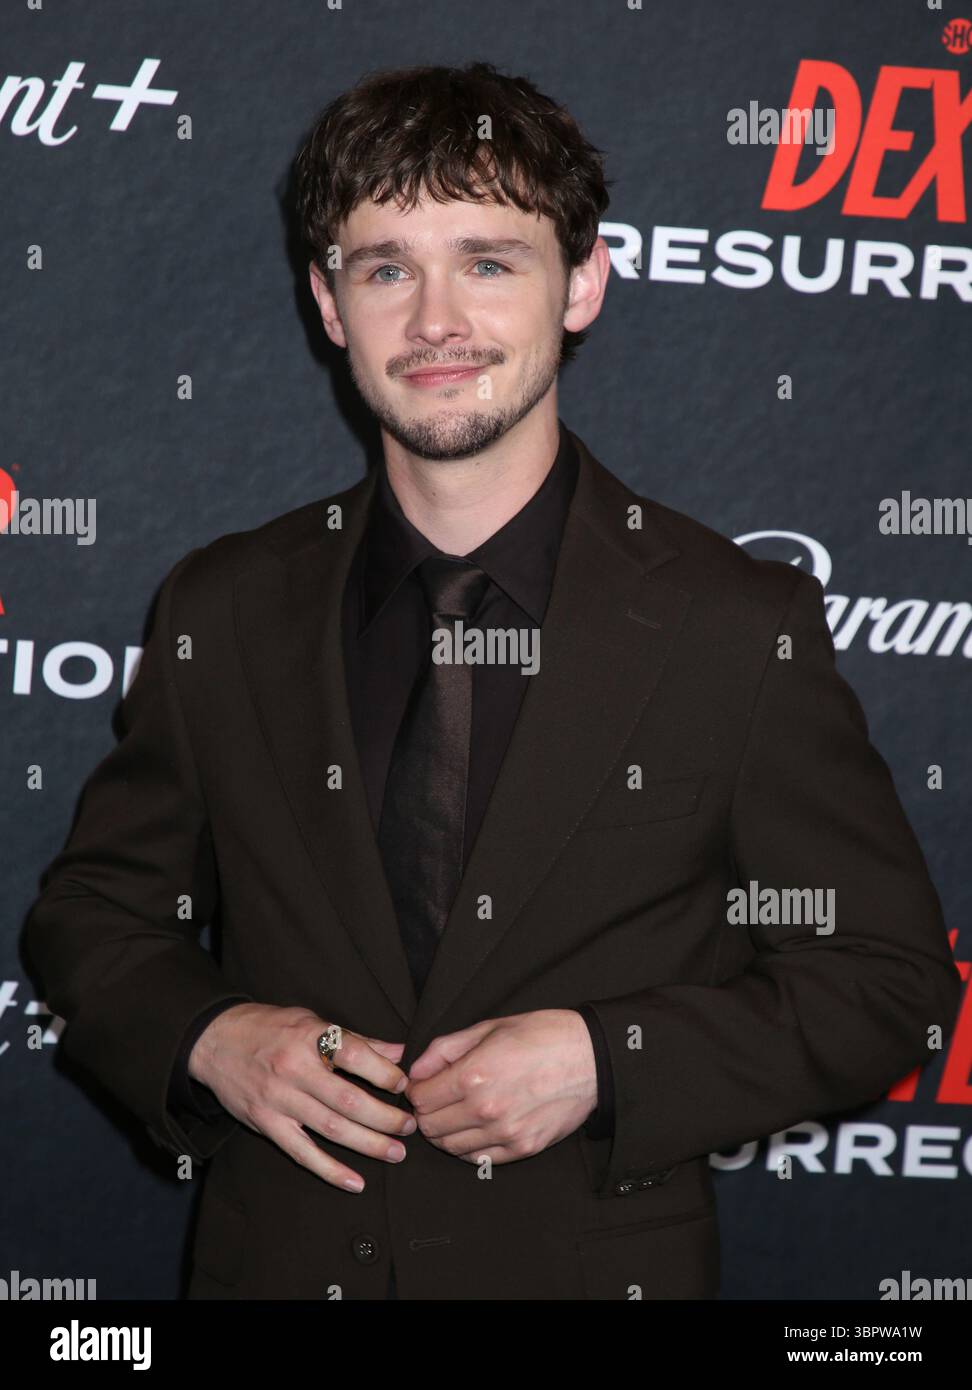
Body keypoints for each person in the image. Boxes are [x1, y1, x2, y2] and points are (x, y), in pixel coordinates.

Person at [26, 60, 960, 1301]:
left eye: (489, 260)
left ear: (583, 283)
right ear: (326, 301)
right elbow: (95, 919)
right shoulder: (225, 607)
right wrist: (211, 1035)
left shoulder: (732, 624)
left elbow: (884, 977)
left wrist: (606, 1058)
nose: (434, 321)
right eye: (386, 267)